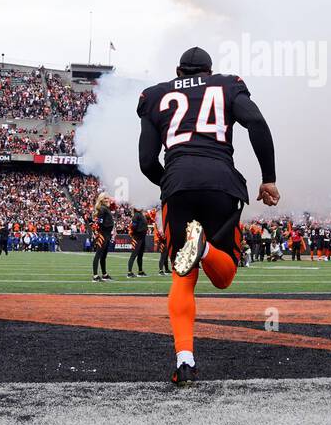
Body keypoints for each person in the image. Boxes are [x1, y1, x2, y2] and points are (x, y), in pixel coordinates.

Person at [138, 46, 278, 386]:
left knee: (182, 278)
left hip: (178, 184)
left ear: (177, 70)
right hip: (221, 182)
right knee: (224, 276)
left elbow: (146, 162)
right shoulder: (227, 85)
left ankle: (185, 358)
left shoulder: (155, 95)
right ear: (209, 70)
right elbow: (256, 121)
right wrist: (268, 177)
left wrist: (174, 182)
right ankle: (203, 249)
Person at [90, 193, 116, 282]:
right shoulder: (102, 209)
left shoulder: (105, 208)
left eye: (107, 198)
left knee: (104, 256)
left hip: (107, 234)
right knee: (98, 254)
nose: (107, 199)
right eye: (105, 198)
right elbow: (99, 223)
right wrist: (99, 234)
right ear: (101, 199)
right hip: (103, 234)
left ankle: (104, 274)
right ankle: (95, 276)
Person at [127, 206, 148, 278]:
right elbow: (133, 226)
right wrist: (135, 233)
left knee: (140, 255)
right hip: (137, 237)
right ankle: (129, 272)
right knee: (134, 255)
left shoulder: (141, 215)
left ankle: (140, 271)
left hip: (142, 237)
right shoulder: (136, 215)